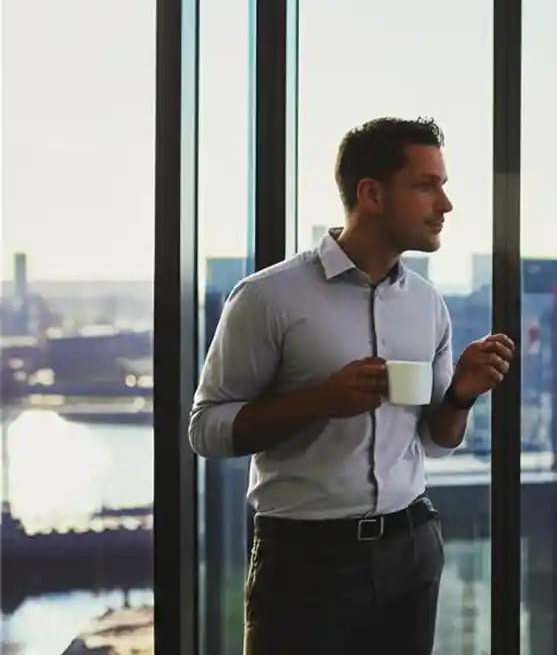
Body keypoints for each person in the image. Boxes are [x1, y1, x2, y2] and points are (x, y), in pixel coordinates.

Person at [188, 116, 513, 654]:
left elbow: (435, 441)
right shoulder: (268, 298)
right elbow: (206, 430)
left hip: (411, 548)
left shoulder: (427, 305)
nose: (446, 204)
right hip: (305, 562)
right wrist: (321, 401)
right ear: (372, 194)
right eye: (427, 185)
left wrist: (461, 393)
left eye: (444, 185)